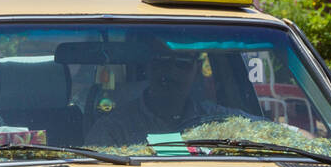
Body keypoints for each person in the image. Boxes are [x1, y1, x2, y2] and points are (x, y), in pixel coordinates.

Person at [87, 52, 238, 147]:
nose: (171, 72)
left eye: (182, 62)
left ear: (197, 70)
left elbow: (259, 129)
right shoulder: (114, 129)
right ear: (148, 66)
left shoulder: (220, 120)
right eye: (162, 60)